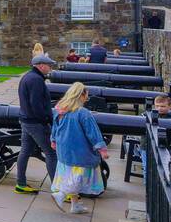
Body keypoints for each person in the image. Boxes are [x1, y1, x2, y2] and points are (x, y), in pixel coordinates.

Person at [50, 81, 109, 213]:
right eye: (86, 96)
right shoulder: (83, 113)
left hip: (64, 148)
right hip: (79, 150)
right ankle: (61, 194)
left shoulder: (60, 109)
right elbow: (93, 133)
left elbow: (55, 128)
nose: (87, 99)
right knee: (79, 177)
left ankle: (75, 205)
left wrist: (53, 140)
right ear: (81, 95)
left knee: (69, 174)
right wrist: (102, 149)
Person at [14, 53, 58, 194]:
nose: (50, 68)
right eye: (49, 66)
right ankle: (58, 190)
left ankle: (20, 184)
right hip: (35, 123)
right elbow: (36, 105)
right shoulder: (36, 80)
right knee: (51, 153)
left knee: (25, 151)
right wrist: (46, 121)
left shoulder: (28, 76)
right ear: (41, 66)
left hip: (26, 120)